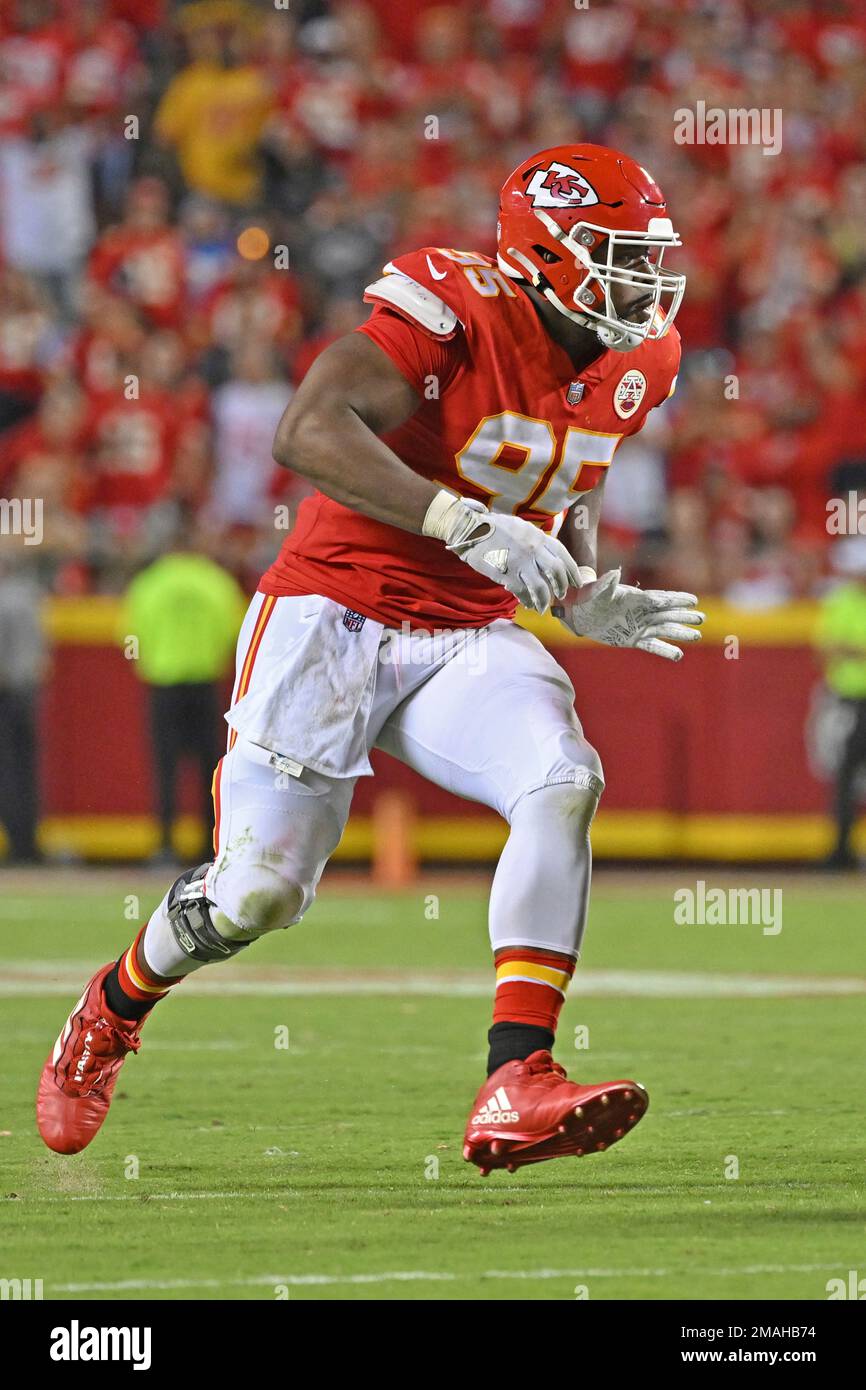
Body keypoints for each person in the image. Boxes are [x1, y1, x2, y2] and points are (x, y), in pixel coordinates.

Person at [37, 145, 704, 1173]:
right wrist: (461, 520)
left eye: (644, 255)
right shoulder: (456, 310)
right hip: (331, 614)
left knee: (562, 777)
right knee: (254, 896)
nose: (641, 282)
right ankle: (111, 1008)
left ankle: (514, 1075)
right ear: (539, 256)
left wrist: (579, 586)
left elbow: (566, 470)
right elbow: (308, 429)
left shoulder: (638, 362)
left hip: (466, 632)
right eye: (614, 256)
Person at [119, 528, 248, 863]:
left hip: (164, 685)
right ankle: (212, 845)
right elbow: (233, 631)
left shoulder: (149, 583)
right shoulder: (217, 581)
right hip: (204, 685)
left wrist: (157, 658)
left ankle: (165, 846)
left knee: (165, 768)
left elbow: (132, 633)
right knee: (211, 769)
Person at [816, 538, 866, 870]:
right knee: (846, 774)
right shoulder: (840, 601)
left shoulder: (842, 602)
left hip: (853, 695)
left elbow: (838, 647)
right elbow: (828, 648)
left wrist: (853, 650)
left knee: (848, 773)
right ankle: (842, 850)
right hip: (850, 700)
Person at [0, 554, 46, 864]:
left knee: (8, 771)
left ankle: (17, 842)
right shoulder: (29, 597)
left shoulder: (5, 601)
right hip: (26, 692)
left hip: (7, 693)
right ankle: (27, 841)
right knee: (25, 771)